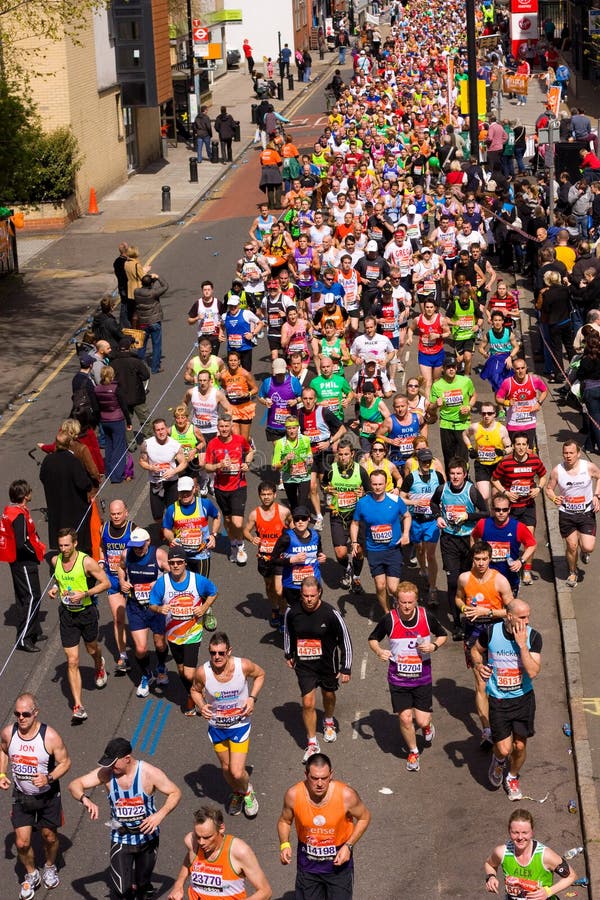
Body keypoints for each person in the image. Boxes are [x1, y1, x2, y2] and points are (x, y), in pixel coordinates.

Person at [68, 737, 181, 900]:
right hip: (121, 837)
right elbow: (75, 784)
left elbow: (175, 792)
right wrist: (85, 799)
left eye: (114, 763)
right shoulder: (107, 773)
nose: (110, 767)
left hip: (147, 838)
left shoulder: (149, 773)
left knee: (143, 886)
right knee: (122, 891)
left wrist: (160, 814)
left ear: (127, 758)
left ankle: (143, 888)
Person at [368, 581, 447, 771]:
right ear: (397, 601)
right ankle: (413, 752)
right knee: (405, 718)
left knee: (422, 720)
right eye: (402, 602)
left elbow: (443, 635)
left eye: (410, 602)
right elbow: (373, 639)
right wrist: (379, 651)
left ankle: (427, 727)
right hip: (398, 679)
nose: (406, 606)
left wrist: (433, 646)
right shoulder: (390, 619)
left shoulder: (426, 616)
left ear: (416, 601)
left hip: (422, 679)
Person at [0, 693, 71, 896]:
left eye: (26, 714)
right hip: (22, 796)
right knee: (21, 843)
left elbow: (65, 762)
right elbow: (3, 750)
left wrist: (48, 778)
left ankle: (49, 866)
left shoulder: (49, 736)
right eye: (17, 714)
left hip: (47, 796)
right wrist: (2, 773)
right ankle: (31, 874)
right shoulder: (9, 733)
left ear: (35, 713)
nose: (21, 718)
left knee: (49, 837)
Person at [471, 600, 542, 801]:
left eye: (528, 617)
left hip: (523, 699)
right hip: (499, 699)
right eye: (522, 617)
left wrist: (522, 646)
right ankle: (499, 760)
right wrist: (479, 666)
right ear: (509, 616)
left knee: (519, 746)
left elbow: (533, 672)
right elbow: (475, 651)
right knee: (503, 749)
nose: (526, 621)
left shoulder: (533, 636)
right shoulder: (491, 632)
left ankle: (512, 777)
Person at [191, 632, 265, 818]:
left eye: (221, 653)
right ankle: (238, 792)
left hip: (239, 725)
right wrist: (202, 706)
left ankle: (248, 792)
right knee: (225, 768)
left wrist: (252, 698)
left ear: (229, 651)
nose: (217, 657)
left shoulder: (243, 666)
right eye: (213, 653)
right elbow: (195, 690)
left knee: (237, 772)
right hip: (217, 727)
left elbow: (260, 674)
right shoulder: (203, 672)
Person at [277, 752, 370, 898]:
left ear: (331, 774)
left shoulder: (346, 796)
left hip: (338, 869)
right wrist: (284, 844)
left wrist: (348, 846)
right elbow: (284, 821)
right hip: (308, 869)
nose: (320, 783)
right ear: (306, 775)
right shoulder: (294, 795)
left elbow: (364, 817)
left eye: (324, 778)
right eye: (314, 778)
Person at [284, 577, 352, 760]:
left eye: (312, 596)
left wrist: (346, 667)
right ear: (301, 594)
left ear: (319, 593)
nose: (308, 599)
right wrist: (288, 654)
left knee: (328, 695)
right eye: (305, 596)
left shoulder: (331, 613)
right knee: (308, 702)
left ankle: (328, 721)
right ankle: (312, 743)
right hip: (305, 665)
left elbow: (345, 639)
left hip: (327, 663)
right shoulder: (292, 612)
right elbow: (289, 633)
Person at [456, 541, 514, 750]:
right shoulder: (464, 578)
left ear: (490, 559)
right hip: (473, 633)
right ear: (472, 559)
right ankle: (487, 730)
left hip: (496, 633)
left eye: (484, 559)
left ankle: (503, 721)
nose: (480, 563)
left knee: (499, 680)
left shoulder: (500, 581)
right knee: (481, 682)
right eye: (477, 559)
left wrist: (486, 612)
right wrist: (465, 609)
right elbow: (458, 598)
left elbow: (511, 610)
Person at [48, 528, 110, 721]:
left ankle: (99, 663)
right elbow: (59, 579)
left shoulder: (87, 562)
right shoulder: (55, 560)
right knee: (72, 660)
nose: (63, 549)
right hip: (67, 615)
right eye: (60, 545)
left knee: (91, 649)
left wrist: (85, 594)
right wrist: (55, 589)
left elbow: (105, 583)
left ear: (75, 543)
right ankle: (78, 706)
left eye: (67, 545)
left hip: (86, 613)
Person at [148, 546, 218, 716]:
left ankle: (198, 697)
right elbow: (152, 604)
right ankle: (192, 693)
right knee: (181, 670)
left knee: (188, 673)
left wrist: (204, 608)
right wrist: (160, 609)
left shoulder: (196, 580)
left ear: (185, 563)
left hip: (193, 633)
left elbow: (213, 592)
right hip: (173, 635)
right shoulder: (162, 583)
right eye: (172, 563)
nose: (176, 566)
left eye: (179, 562)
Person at [431, 458, 488, 640]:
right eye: (452, 474)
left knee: (469, 581)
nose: (455, 477)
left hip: (468, 540)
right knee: (453, 582)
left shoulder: (471, 490)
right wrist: (438, 516)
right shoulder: (442, 489)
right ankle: (456, 624)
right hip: (449, 540)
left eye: (458, 474)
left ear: (464, 474)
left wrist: (467, 516)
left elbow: (486, 512)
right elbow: (433, 504)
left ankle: (470, 617)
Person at [168, 806, 272, 900]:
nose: (201, 842)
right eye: (198, 836)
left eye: (207, 837)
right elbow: (189, 861)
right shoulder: (192, 843)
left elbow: (266, 892)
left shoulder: (239, 851)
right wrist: (178, 885)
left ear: (221, 829)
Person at [118, 526, 170, 698]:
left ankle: (161, 667)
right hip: (135, 606)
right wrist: (122, 581)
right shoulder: (126, 554)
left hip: (156, 607)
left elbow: (175, 573)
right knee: (140, 649)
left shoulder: (158, 555)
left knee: (160, 644)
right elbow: (120, 567)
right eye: (135, 547)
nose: (137, 550)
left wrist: (159, 583)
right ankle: (146, 675)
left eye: (140, 546)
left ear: (148, 542)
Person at [350, 469, 411, 613]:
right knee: (380, 585)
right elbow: (355, 523)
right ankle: (387, 613)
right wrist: (354, 542)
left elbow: (407, 516)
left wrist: (405, 534)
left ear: (385, 484)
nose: (377, 487)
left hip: (393, 549)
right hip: (374, 550)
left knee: (393, 588)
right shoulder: (363, 503)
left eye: (380, 484)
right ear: (370, 484)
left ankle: (399, 602)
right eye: (374, 484)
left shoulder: (395, 500)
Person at [491, 435, 547, 586]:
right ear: (514, 446)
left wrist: (538, 488)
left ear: (528, 446)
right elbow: (494, 479)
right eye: (518, 444)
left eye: (524, 444)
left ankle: (527, 570)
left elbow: (543, 475)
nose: (521, 447)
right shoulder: (506, 462)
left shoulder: (534, 460)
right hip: (511, 509)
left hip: (528, 506)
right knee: (509, 540)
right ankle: (507, 567)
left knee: (529, 540)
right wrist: (506, 492)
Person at [484, 809, 576, 896]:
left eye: (525, 832)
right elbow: (489, 864)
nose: (520, 837)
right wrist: (491, 877)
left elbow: (571, 876)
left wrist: (548, 892)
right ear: (509, 831)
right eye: (515, 832)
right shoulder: (502, 852)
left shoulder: (545, 856)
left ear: (532, 832)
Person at [546, 439, 600, 587]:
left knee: (588, 547)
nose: (568, 456)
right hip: (567, 514)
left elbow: (599, 476)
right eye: (565, 453)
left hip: (586, 513)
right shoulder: (557, 470)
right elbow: (549, 489)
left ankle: (584, 551)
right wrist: (554, 498)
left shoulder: (588, 467)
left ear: (578, 453)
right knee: (571, 545)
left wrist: (597, 495)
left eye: (571, 453)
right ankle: (572, 571)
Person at [1, 480, 46, 652]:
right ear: (25, 496)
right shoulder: (19, 516)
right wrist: (34, 553)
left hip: (16, 561)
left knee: (23, 597)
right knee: (32, 597)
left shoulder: (11, 511)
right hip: (24, 562)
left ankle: (31, 631)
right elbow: (22, 543)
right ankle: (24, 638)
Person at [205, 413, 255, 565]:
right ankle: (233, 544)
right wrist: (219, 465)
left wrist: (247, 463)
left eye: (227, 426)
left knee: (237, 523)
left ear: (231, 426)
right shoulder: (213, 444)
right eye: (221, 426)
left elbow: (250, 451)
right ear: (218, 427)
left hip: (238, 486)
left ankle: (240, 545)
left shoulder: (240, 440)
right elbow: (207, 467)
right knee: (227, 519)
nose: (224, 429)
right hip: (220, 488)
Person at [322, 439, 371, 592]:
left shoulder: (360, 471)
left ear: (352, 454)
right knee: (340, 553)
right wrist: (327, 490)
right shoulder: (331, 470)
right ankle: (347, 567)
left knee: (359, 551)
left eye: (346, 454)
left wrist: (363, 494)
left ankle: (356, 577)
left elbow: (371, 492)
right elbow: (323, 484)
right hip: (338, 515)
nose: (343, 457)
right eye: (340, 454)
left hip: (357, 517)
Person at [400, 448, 445, 605]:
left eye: (428, 461)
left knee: (431, 555)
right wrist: (414, 502)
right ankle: (424, 570)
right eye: (423, 461)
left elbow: (444, 492)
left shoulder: (437, 476)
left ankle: (433, 589)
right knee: (420, 550)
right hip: (416, 520)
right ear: (418, 461)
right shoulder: (411, 478)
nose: (426, 464)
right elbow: (401, 498)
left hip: (432, 520)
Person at [244, 482, 290, 628]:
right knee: (270, 586)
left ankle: (283, 614)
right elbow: (245, 531)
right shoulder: (255, 514)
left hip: (281, 558)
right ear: (259, 496)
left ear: (275, 495)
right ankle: (275, 609)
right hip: (264, 558)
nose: (266, 497)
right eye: (263, 494)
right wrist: (252, 538)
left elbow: (293, 527)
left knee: (279, 589)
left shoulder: (283, 512)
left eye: (269, 494)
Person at [39, 430, 93, 554]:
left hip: (55, 504)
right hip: (74, 506)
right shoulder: (73, 461)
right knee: (76, 536)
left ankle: (63, 551)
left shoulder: (48, 460)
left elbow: (42, 477)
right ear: (70, 443)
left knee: (60, 532)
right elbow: (83, 483)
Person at [162, 476, 221, 590]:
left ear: (194, 489)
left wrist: (213, 535)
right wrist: (171, 539)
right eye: (182, 492)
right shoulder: (172, 509)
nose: (185, 495)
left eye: (188, 491)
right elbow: (166, 529)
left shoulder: (204, 504)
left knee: (200, 586)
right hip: (181, 556)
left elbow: (217, 516)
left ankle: (204, 601)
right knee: (183, 586)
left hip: (202, 553)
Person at [471, 498, 537, 596]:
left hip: (510, 579)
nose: (501, 513)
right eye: (498, 509)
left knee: (509, 605)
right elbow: (473, 536)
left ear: (509, 509)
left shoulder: (518, 527)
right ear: (492, 509)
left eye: (504, 509)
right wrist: (476, 556)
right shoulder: (483, 524)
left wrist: (521, 561)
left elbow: (532, 545)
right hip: (487, 578)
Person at [100, 499, 134, 674]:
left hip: (132, 580)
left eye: (119, 513)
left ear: (126, 512)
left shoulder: (133, 529)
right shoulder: (104, 528)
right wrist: (101, 562)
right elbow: (102, 548)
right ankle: (123, 656)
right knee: (118, 619)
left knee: (139, 618)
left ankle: (141, 648)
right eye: (113, 514)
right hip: (113, 580)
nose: (116, 517)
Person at [428, 354, 477, 471]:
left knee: (462, 458)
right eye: (448, 367)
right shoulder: (437, 386)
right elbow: (430, 408)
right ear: (443, 369)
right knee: (449, 458)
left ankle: (465, 477)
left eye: (453, 367)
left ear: (456, 368)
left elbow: (474, 395)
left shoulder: (465, 381)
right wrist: (435, 405)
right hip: (446, 425)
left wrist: (469, 406)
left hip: (463, 424)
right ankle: (450, 480)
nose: (451, 369)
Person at [272, 506, 327, 607]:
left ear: (309, 519)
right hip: (293, 586)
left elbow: (319, 552)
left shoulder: (316, 536)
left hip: (312, 585)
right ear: (293, 520)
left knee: (312, 611)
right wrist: (291, 560)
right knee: (297, 612)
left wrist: (321, 557)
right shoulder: (286, 538)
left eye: (303, 518)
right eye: (297, 519)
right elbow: (273, 560)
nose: (300, 522)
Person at [139, 418, 187, 525]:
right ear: (154, 431)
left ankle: (171, 530)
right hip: (156, 483)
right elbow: (142, 461)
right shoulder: (146, 444)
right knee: (157, 515)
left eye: (163, 429)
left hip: (171, 483)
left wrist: (173, 471)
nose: (161, 432)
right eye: (158, 430)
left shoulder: (175, 444)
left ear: (166, 429)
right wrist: (150, 467)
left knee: (173, 512)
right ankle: (163, 528)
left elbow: (184, 463)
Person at [462, 403, 512, 502]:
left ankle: (493, 512)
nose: (486, 416)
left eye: (489, 413)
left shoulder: (501, 429)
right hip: (481, 465)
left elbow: (510, 447)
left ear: (495, 414)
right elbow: (464, 434)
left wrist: (503, 452)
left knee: (496, 497)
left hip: (497, 466)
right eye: (483, 413)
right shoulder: (475, 427)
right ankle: (484, 511)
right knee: (484, 496)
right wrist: (470, 448)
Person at [495, 359, 548, 452]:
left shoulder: (534, 380)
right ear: (513, 370)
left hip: (529, 423)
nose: (520, 371)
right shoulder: (508, 382)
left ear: (526, 368)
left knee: (529, 451)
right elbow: (498, 398)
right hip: (513, 424)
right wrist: (507, 402)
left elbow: (545, 390)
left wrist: (539, 403)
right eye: (517, 368)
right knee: (515, 451)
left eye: (522, 368)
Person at [95, 365, 133, 483]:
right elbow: (123, 406)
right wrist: (129, 421)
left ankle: (109, 471)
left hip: (104, 420)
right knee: (119, 447)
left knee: (109, 446)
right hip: (116, 420)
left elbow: (96, 406)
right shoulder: (116, 388)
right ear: (112, 375)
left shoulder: (97, 389)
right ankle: (117, 475)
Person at [272, 415, 314, 510]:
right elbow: (274, 466)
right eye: (289, 428)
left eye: (294, 428)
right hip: (289, 478)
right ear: (285, 429)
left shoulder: (305, 440)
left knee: (302, 506)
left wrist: (309, 460)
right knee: (294, 505)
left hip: (304, 476)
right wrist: (285, 460)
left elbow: (309, 453)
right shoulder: (280, 443)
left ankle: (302, 517)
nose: (292, 431)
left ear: (298, 428)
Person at [134, 273, 169, 375]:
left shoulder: (136, 292)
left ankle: (139, 366)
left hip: (142, 322)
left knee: (142, 345)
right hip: (154, 321)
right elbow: (165, 286)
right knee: (156, 345)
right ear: (151, 284)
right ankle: (155, 367)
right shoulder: (153, 293)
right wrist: (157, 277)